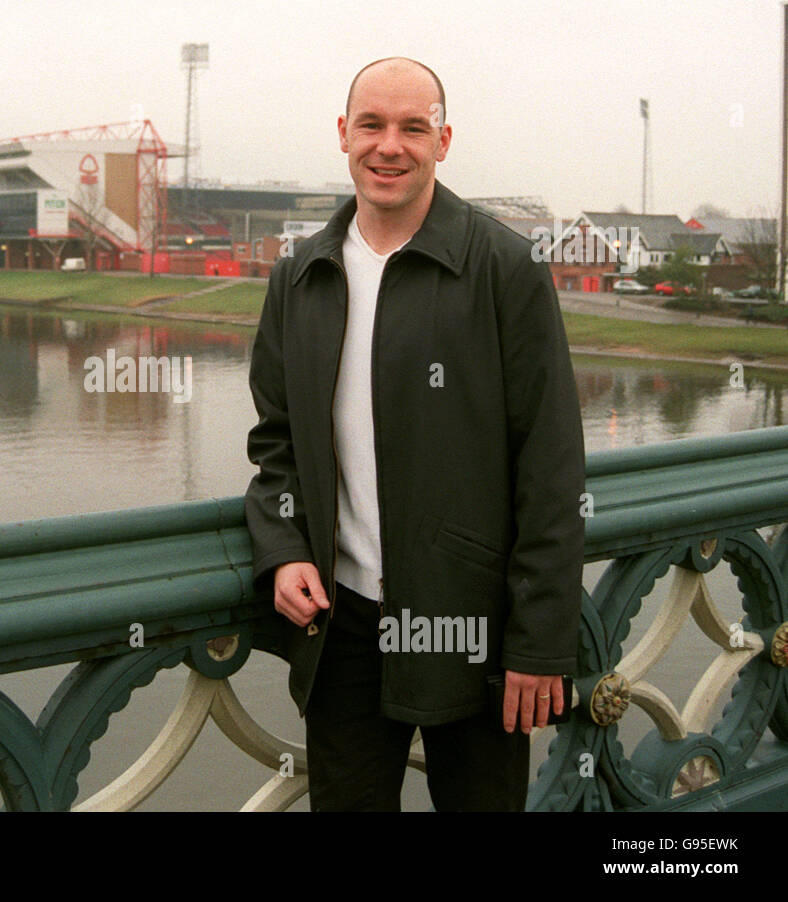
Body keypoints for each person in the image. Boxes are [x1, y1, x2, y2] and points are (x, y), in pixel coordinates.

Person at [243, 57, 585, 811]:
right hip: (345, 630)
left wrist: (539, 644)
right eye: (371, 124)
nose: (389, 146)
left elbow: (551, 468)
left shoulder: (504, 267)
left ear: (443, 140)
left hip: (476, 629)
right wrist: (284, 547)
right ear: (343, 134)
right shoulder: (298, 273)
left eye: (412, 128)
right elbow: (275, 445)